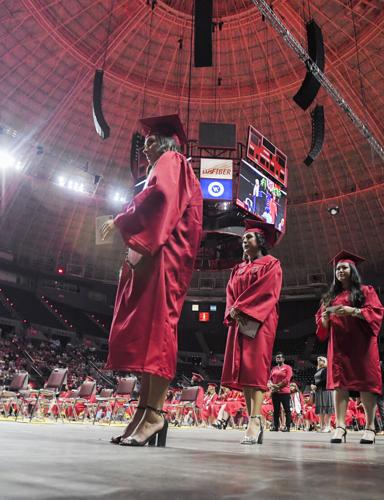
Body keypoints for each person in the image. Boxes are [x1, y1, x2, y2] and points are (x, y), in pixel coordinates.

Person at [101, 114, 203, 447]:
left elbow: (159, 199)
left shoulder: (172, 160)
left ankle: (156, 413)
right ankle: (144, 412)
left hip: (165, 256)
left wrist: (120, 220)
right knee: (148, 338)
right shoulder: (168, 164)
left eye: (148, 141)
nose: (144, 148)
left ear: (166, 142)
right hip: (157, 255)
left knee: (158, 334)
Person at [221, 220, 283, 445]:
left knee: (255, 370)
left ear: (260, 241)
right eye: (243, 238)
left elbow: (268, 291)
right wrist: (232, 310)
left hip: (260, 320)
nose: (244, 240)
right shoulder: (237, 268)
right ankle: (253, 420)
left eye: (249, 237)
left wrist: (242, 308)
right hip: (239, 321)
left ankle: (256, 420)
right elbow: (230, 293)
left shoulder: (271, 263)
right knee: (245, 372)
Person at [315, 251, 384, 445]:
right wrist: (324, 319)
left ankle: (370, 427)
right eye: (337, 268)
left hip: (362, 345)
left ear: (352, 270)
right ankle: (340, 426)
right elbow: (322, 329)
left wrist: (353, 311)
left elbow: (376, 313)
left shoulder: (365, 291)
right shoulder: (330, 297)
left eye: (344, 267)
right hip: (338, 346)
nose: (340, 271)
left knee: (366, 384)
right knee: (339, 385)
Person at [268, 352, 293, 432]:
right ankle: (276, 426)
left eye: (279, 357)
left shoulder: (288, 367)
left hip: (285, 391)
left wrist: (277, 386)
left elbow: (287, 379)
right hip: (275, 392)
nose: (278, 359)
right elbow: (270, 379)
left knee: (287, 410)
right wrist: (272, 386)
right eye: (276, 358)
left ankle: (287, 427)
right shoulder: (273, 368)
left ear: (283, 359)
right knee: (276, 410)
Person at [311, 355, 334, 432]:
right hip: (319, 391)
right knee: (321, 409)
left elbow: (325, 380)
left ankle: (328, 426)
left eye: (320, 360)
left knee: (327, 409)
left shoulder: (327, 369)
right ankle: (322, 426)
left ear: (324, 361)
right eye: (318, 360)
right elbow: (315, 380)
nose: (318, 361)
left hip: (325, 391)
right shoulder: (318, 370)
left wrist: (315, 385)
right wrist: (312, 385)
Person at [375, 361, 384, 435]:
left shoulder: (378, 366)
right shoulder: (377, 366)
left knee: (378, 408)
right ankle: (381, 429)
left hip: (380, 388)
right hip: (379, 387)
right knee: (377, 408)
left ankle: (381, 429)